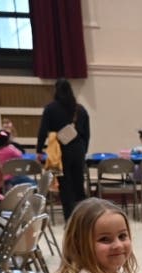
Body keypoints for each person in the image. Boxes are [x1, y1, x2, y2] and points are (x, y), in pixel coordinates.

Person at [36, 78, 90, 220]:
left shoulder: (50, 108)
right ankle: (82, 218)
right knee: (79, 184)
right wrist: (83, 150)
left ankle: (69, 219)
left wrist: (39, 149)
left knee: (65, 186)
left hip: (60, 151)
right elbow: (87, 133)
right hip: (78, 150)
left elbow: (43, 130)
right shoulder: (80, 109)